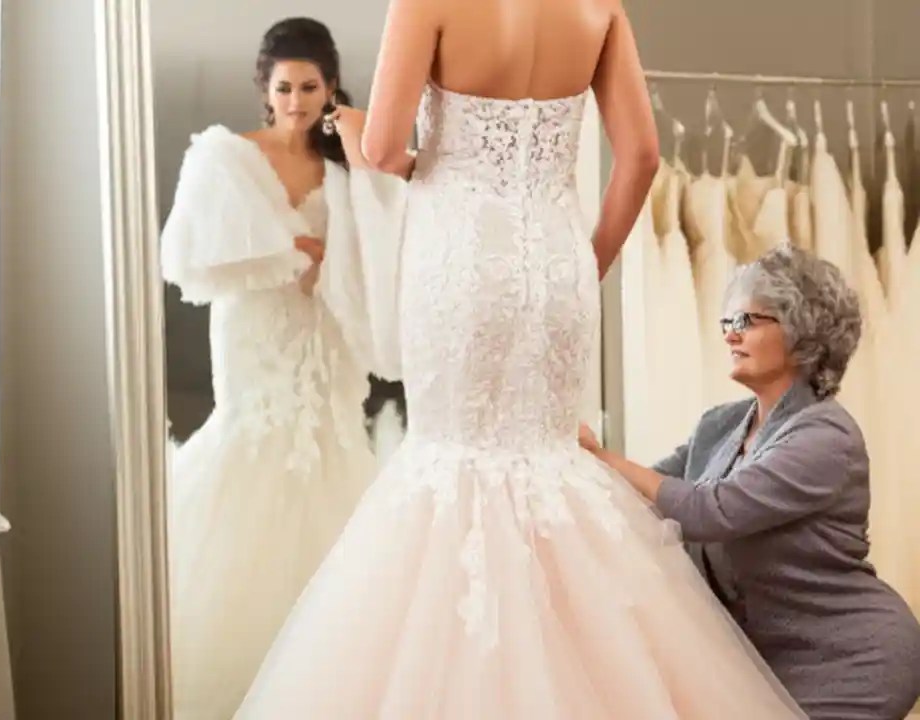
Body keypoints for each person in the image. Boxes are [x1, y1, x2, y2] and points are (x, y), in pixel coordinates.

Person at [234, 0, 808, 717]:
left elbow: (381, 153)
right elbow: (642, 156)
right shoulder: (599, 8)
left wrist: (396, 148)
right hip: (557, 263)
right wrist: (584, 261)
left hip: (462, 262)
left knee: (457, 455)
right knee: (545, 454)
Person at [159, 17, 408, 719]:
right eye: (284, 87)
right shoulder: (224, 158)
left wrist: (330, 250)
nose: (295, 100)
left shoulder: (341, 170)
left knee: (331, 456)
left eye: (309, 86)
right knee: (255, 451)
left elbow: (377, 250)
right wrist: (289, 252)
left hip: (325, 337)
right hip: (257, 333)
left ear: (330, 90)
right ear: (265, 92)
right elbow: (186, 258)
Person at [581, 246, 920, 720]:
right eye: (727, 323)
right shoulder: (720, 425)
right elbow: (645, 494)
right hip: (764, 664)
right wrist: (567, 459)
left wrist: (600, 455)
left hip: (851, 660)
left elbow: (711, 511)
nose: (731, 335)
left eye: (748, 320)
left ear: (803, 331)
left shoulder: (827, 437)